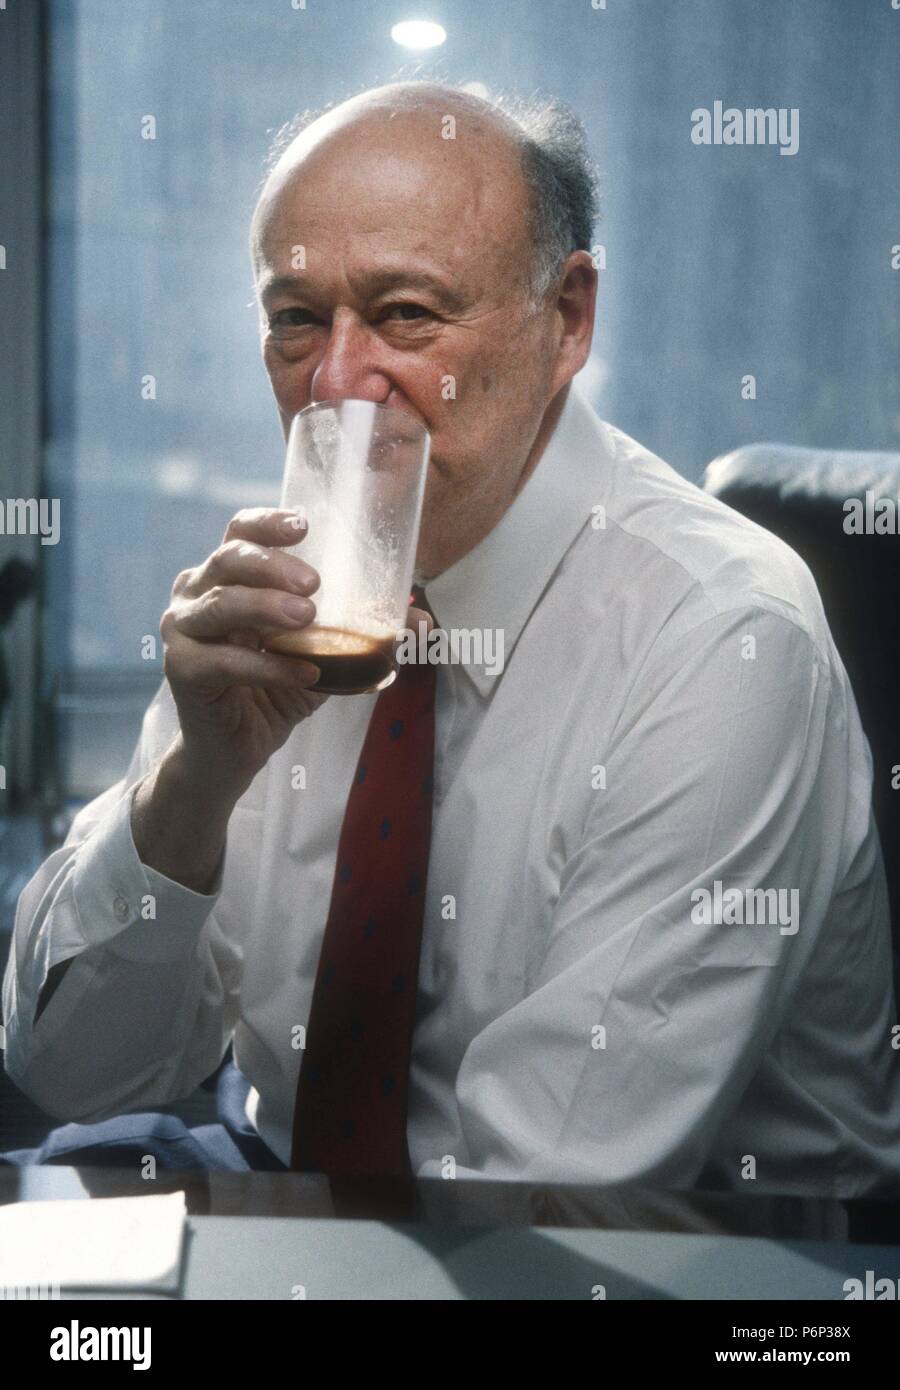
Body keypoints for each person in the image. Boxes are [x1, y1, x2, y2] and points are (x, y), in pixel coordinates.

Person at [2, 82, 899, 1193]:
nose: (335, 385)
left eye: (406, 314)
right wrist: (193, 784)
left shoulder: (722, 636)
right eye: (295, 319)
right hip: (291, 1188)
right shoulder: (294, 577)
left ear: (567, 319)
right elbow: (70, 1069)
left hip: (677, 1261)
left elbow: (545, 1191)